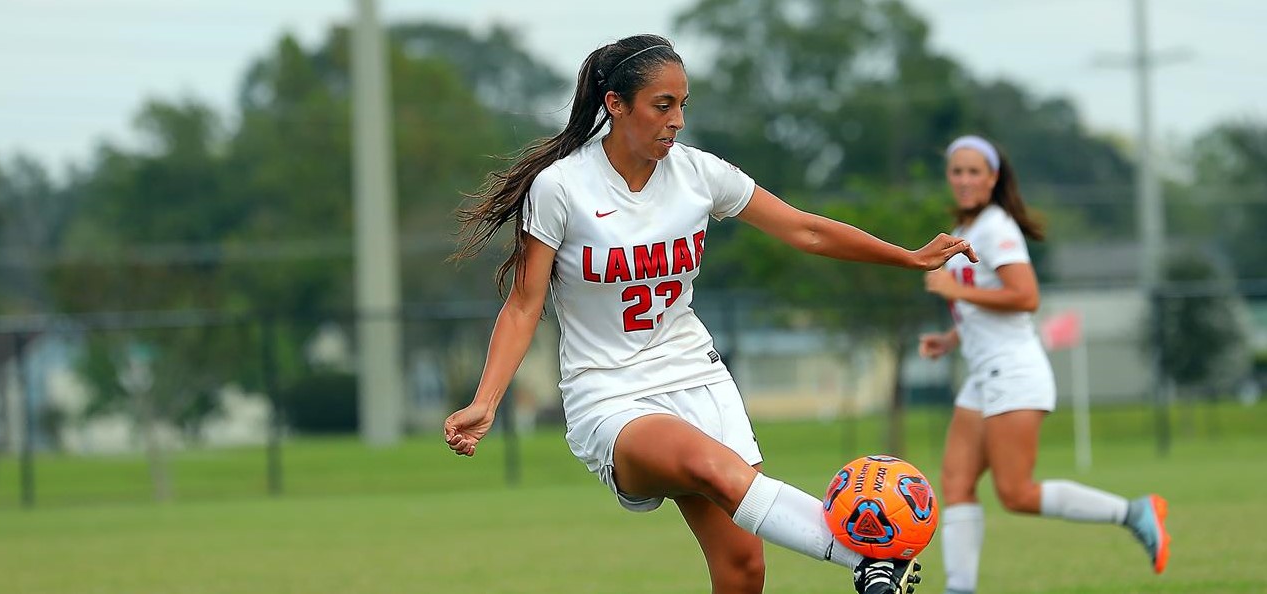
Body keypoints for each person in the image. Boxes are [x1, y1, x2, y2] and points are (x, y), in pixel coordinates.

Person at [443, 34, 977, 594]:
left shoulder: (700, 175)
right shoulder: (560, 188)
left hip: (696, 376)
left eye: (683, 105)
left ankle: (871, 562)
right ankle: (869, 561)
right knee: (709, 467)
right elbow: (524, 304)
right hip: (609, 393)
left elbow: (805, 229)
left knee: (744, 569)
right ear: (615, 104)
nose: (676, 120)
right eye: (662, 104)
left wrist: (908, 256)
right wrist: (486, 401)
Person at [917, 135, 1171, 594]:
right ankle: (959, 589)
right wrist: (951, 338)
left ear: (994, 178)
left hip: (1014, 372)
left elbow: (1026, 297)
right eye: (957, 171)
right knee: (955, 481)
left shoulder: (997, 227)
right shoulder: (970, 228)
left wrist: (956, 293)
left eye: (975, 171)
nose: (965, 179)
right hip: (983, 373)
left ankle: (1133, 512)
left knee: (1015, 493)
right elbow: (986, 305)